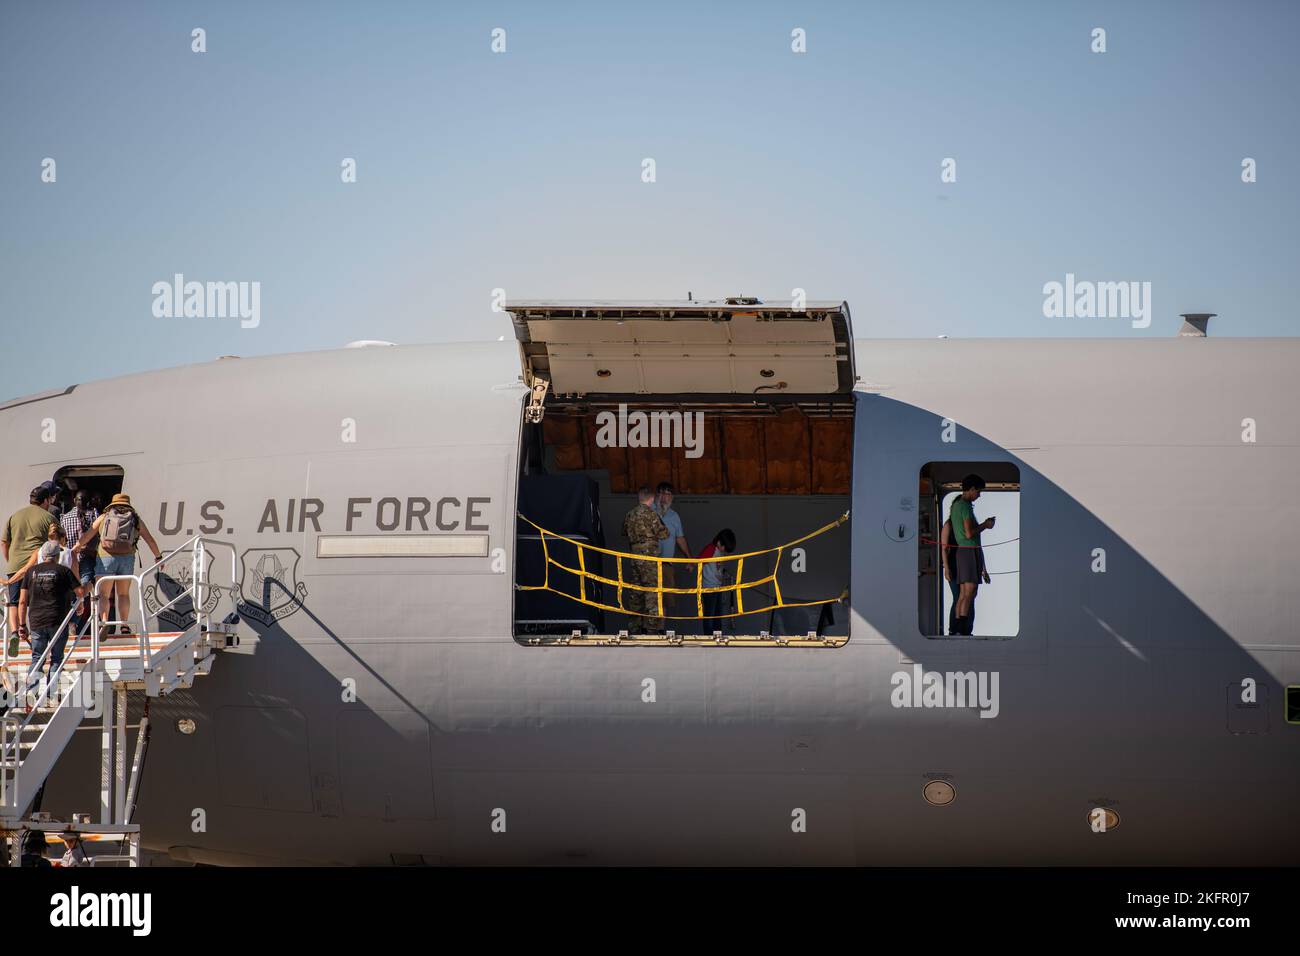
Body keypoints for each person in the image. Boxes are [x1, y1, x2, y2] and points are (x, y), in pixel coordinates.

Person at [75, 493, 163, 637]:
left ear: (112, 504)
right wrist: (158, 557)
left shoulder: (104, 517)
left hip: (105, 558)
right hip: (127, 558)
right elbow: (150, 539)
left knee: (103, 594)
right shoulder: (135, 519)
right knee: (123, 594)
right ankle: (124, 625)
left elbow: (87, 536)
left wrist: (75, 548)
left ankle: (104, 621)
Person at [19, 541, 83, 702]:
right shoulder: (64, 571)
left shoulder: (31, 572)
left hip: (36, 621)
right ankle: (50, 693)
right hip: (58, 621)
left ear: (42, 555)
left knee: (37, 657)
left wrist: (21, 625)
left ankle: (30, 693)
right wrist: (84, 595)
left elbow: (22, 601)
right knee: (56, 658)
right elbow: (80, 592)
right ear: (57, 556)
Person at [3, 486, 58, 638]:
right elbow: (56, 542)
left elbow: (4, 542)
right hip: (37, 565)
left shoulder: (14, 516)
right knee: (36, 600)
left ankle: (16, 631)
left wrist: (11, 560)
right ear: (46, 500)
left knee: (14, 601)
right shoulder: (49, 518)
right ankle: (36, 632)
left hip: (15, 565)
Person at [949, 474, 995, 636]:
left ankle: (957, 628)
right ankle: (961, 628)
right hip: (968, 551)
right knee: (969, 591)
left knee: (963, 593)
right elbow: (969, 534)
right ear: (972, 489)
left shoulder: (956, 506)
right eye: (979, 491)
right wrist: (986, 525)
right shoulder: (965, 507)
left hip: (965, 552)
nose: (979, 495)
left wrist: (984, 568)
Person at [621, 486, 669, 634]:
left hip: (635, 556)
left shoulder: (630, 514)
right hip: (649, 557)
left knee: (636, 591)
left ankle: (634, 626)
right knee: (652, 591)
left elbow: (624, 532)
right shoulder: (651, 514)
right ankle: (652, 627)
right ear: (651, 499)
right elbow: (664, 533)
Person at [61, 490, 98, 631]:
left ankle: (70, 622)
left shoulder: (65, 517)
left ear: (74, 500)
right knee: (85, 587)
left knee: (72, 589)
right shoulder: (93, 514)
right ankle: (74, 622)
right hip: (87, 557)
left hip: (70, 557)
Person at [654, 483, 690, 617]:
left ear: (672, 497)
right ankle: (647, 632)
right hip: (649, 564)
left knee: (665, 599)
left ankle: (661, 631)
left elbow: (680, 538)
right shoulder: (649, 511)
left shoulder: (674, 516)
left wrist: (689, 558)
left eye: (668, 494)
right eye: (662, 493)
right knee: (648, 598)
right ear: (657, 495)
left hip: (667, 565)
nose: (665, 497)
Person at [696, 529, 736, 634]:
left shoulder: (720, 552)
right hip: (709, 588)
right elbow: (699, 560)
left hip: (718, 587)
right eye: (724, 548)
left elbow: (718, 567)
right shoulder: (711, 549)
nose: (724, 551)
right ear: (719, 542)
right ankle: (708, 636)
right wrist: (691, 566)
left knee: (718, 615)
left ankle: (717, 635)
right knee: (709, 615)